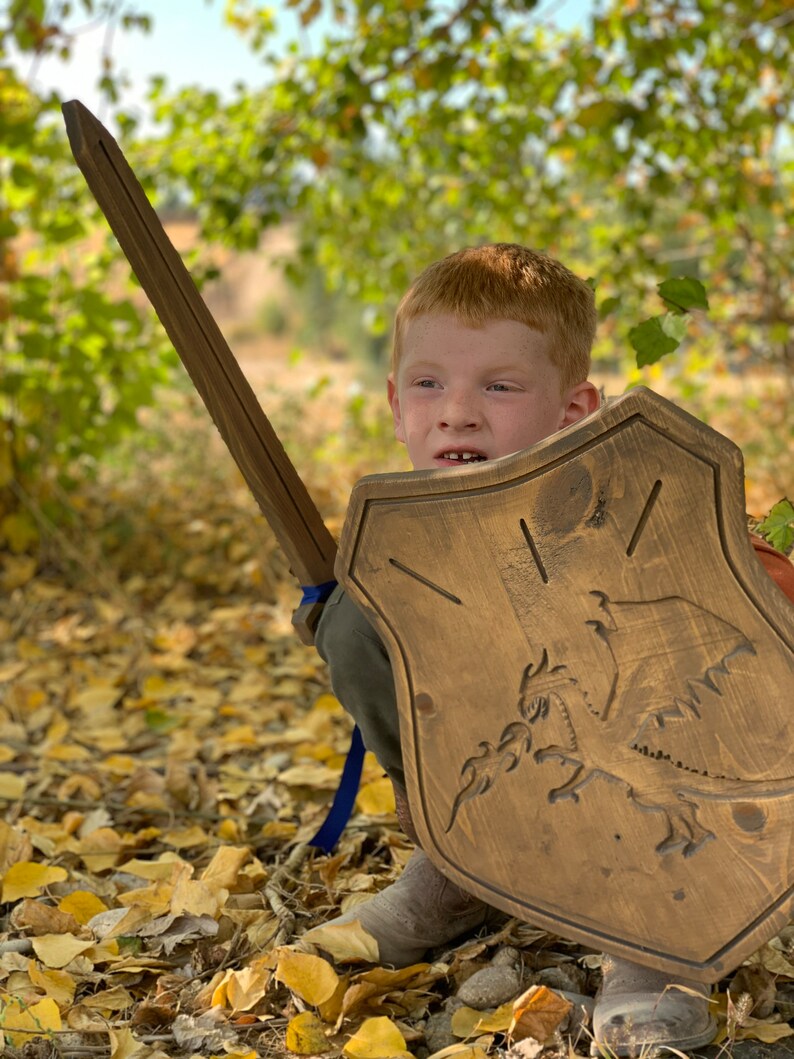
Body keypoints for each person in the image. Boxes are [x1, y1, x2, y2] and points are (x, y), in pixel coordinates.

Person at [306, 243, 794, 1055]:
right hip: (538, 755)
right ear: (396, 403)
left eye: (498, 386)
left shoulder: (630, 514)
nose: (456, 412)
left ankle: (657, 939)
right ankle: (459, 858)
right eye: (429, 384)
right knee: (358, 622)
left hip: (667, 767)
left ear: (575, 411)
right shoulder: (416, 542)